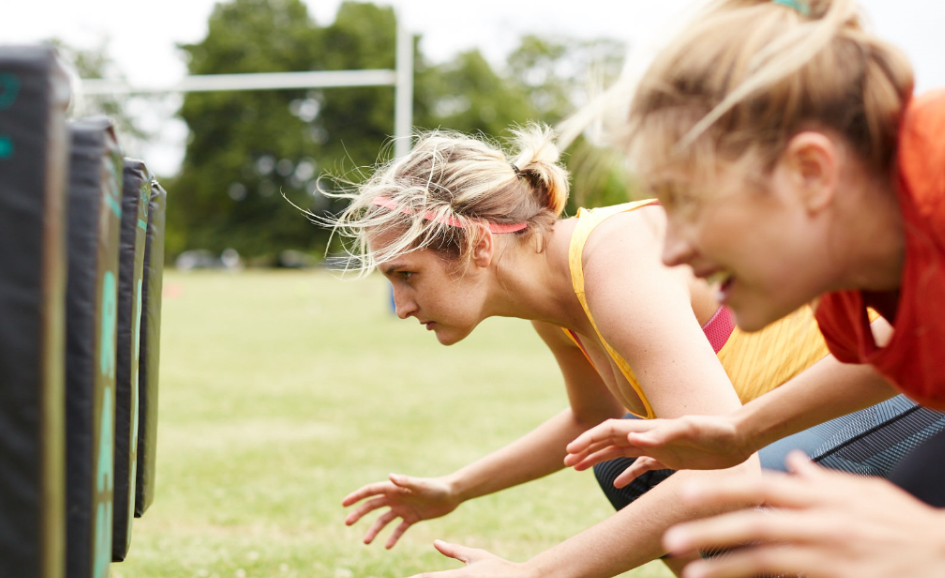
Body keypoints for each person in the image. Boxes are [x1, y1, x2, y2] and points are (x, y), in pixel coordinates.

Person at [323, 125, 934, 578]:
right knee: (626, 466)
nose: (402, 305)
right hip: (808, 430)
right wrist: (454, 489)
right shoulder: (553, 298)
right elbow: (591, 420)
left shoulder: (612, 261)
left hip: (915, 389)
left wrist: (534, 572)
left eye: (407, 275)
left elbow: (734, 471)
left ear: (478, 245)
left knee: (726, 486)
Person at [561, 0, 945, 576]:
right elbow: (901, 343)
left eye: (690, 204)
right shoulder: (852, 279)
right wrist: (739, 432)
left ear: (810, 172)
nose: (672, 252)